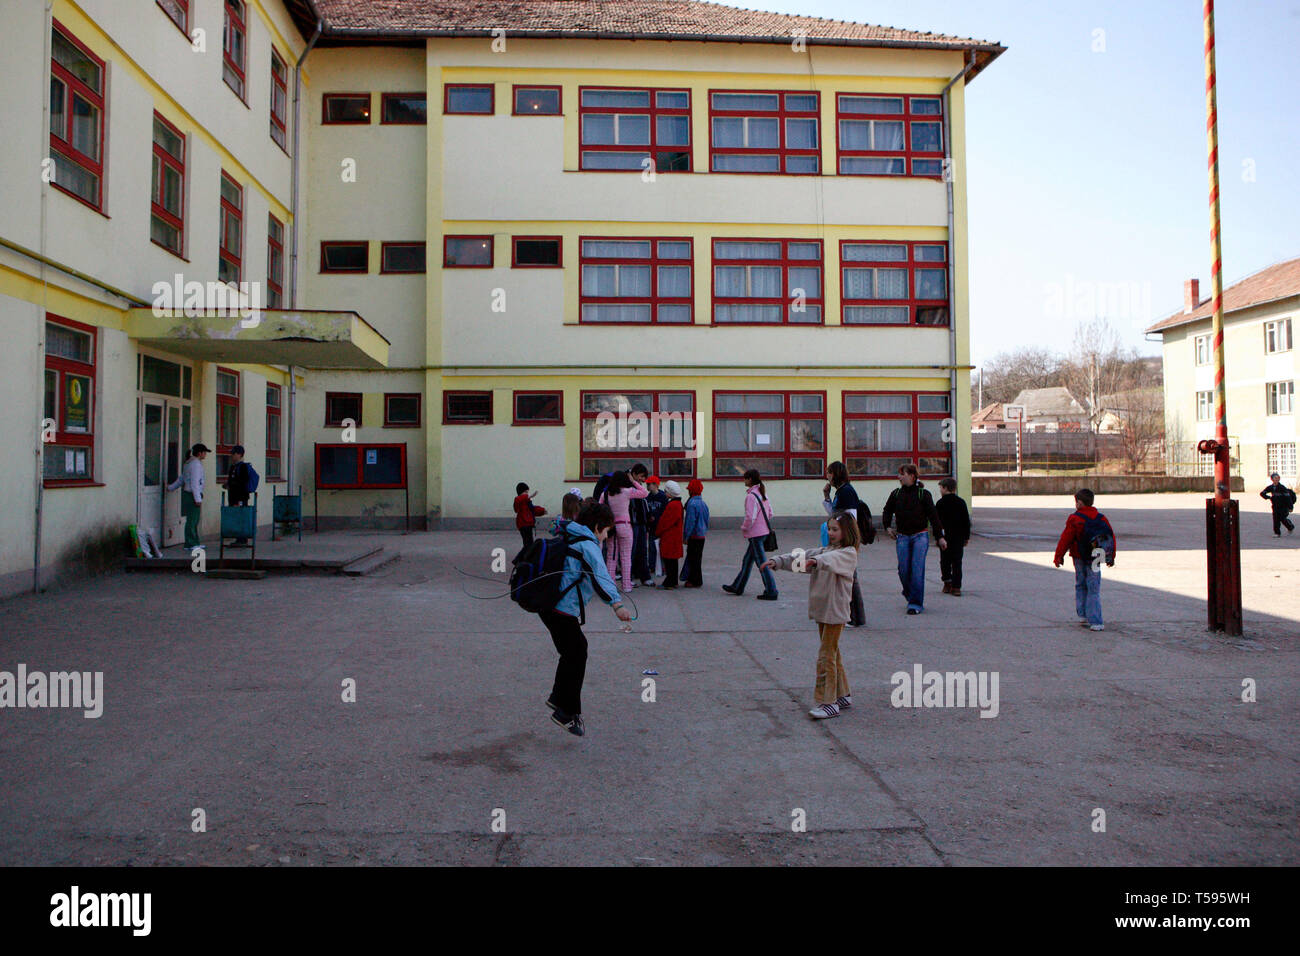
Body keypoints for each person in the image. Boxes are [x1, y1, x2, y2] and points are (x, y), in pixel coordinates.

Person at [540, 500, 633, 737]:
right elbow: (601, 579)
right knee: (577, 652)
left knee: (573, 651)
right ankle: (566, 713)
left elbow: (554, 526)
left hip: (548, 605)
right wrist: (617, 605)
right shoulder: (588, 545)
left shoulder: (569, 530)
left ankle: (557, 698)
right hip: (562, 608)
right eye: (606, 531)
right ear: (597, 527)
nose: (606, 536)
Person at [763, 512, 861, 719]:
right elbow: (803, 557)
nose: (831, 533)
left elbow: (827, 560)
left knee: (826, 656)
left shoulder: (848, 553)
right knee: (832, 652)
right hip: (822, 611)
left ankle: (828, 702)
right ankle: (842, 695)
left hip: (835, 612)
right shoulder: (825, 550)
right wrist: (778, 562)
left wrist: (815, 561)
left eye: (835, 529)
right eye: (829, 529)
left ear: (847, 532)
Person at [881, 464, 946, 615]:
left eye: (902, 474)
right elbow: (887, 510)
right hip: (902, 537)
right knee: (903, 570)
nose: (899, 477)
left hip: (920, 536)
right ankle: (910, 593)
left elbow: (934, 517)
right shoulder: (896, 493)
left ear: (912, 476)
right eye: (899, 474)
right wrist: (887, 527)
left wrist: (940, 537)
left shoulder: (923, 494)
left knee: (917, 570)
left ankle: (915, 604)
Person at [1052, 487, 1117, 632]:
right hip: (1096, 557)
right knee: (1094, 588)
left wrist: (1058, 556)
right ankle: (1097, 621)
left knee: (1081, 584)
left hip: (1079, 556)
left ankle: (1083, 615)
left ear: (1080, 503)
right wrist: (1111, 556)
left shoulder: (1075, 519)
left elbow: (1065, 539)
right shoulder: (1101, 518)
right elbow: (1110, 537)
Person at [722, 469, 778, 600]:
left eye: (745, 478)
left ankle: (771, 590)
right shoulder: (762, 493)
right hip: (763, 532)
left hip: (755, 535)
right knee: (747, 561)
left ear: (750, 480)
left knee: (762, 563)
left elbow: (750, 517)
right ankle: (738, 586)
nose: (744, 481)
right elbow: (770, 513)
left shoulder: (751, 496)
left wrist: (744, 528)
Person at [822, 461, 866, 626]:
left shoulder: (846, 492)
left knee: (849, 577)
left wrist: (842, 538)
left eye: (829, 473)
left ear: (836, 474)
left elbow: (849, 517)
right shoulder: (840, 491)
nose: (827, 476)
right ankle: (856, 616)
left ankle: (854, 617)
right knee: (849, 576)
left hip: (846, 538)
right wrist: (827, 497)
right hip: (843, 536)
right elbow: (833, 514)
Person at [598, 470, 648, 592]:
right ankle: (626, 586)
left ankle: (610, 586)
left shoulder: (605, 494)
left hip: (611, 528)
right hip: (625, 526)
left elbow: (600, 508)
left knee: (611, 557)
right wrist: (633, 481)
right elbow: (645, 493)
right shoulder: (627, 492)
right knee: (626, 557)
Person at [167, 443, 210, 549]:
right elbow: (195, 483)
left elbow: (182, 479)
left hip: (189, 494)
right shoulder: (195, 464)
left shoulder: (188, 463)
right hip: (192, 494)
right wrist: (197, 498)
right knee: (193, 520)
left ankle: (194, 541)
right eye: (204, 452)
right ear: (200, 453)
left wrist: (170, 487)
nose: (205, 455)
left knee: (193, 520)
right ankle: (191, 543)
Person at [935, 477, 972, 596]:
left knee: (944, 561)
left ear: (945, 488)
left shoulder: (940, 503)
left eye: (941, 488)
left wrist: (938, 536)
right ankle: (957, 587)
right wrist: (966, 537)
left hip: (945, 537)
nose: (940, 490)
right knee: (957, 562)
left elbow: (936, 522)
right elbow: (966, 521)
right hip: (958, 537)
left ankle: (947, 582)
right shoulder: (961, 502)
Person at [627, 463, 655, 587]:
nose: (643, 480)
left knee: (643, 550)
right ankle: (628, 577)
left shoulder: (638, 487)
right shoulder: (628, 487)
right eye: (641, 476)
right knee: (630, 552)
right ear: (634, 474)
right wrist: (633, 482)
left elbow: (644, 498)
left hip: (641, 523)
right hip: (632, 523)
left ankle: (644, 576)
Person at [225, 444, 257, 545]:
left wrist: (231, 484)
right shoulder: (233, 467)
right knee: (236, 517)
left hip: (240, 497)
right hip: (233, 496)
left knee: (241, 517)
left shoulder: (243, 467)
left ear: (239, 455)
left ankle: (242, 539)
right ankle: (239, 538)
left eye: (234, 453)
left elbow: (242, 482)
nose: (232, 456)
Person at [681, 478, 710, 588]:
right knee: (698, 558)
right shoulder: (704, 504)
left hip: (694, 536)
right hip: (702, 535)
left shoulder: (691, 504)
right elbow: (707, 520)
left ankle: (695, 580)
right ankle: (695, 579)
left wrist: (685, 536)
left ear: (691, 491)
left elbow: (690, 522)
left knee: (693, 559)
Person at [656, 480, 685, 589]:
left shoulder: (672, 505)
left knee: (669, 561)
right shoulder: (678, 504)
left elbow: (665, 522)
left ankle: (669, 582)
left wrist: (658, 532)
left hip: (669, 537)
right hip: (675, 537)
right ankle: (673, 581)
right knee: (673, 561)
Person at [643, 475, 669, 580]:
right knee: (652, 547)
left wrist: (658, 518)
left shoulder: (663, 497)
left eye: (649, 484)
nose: (647, 487)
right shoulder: (648, 497)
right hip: (652, 527)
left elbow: (665, 512)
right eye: (647, 484)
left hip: (660, 526)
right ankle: (652, 566)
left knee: (661, 547)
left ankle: (663, 566)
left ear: (655, 485)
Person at [513, 482, 547, 549]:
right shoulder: (518, 500)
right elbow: (517, 508)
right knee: (528, 545)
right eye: (525, 492)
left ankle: (526, 557)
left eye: (527, 492)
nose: (527, 494)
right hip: (524, 524)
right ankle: (522, 558)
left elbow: (532, 510)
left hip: (528, 524)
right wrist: (529, 496)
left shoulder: (526, 501)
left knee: (529, 544)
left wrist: (542, 510)